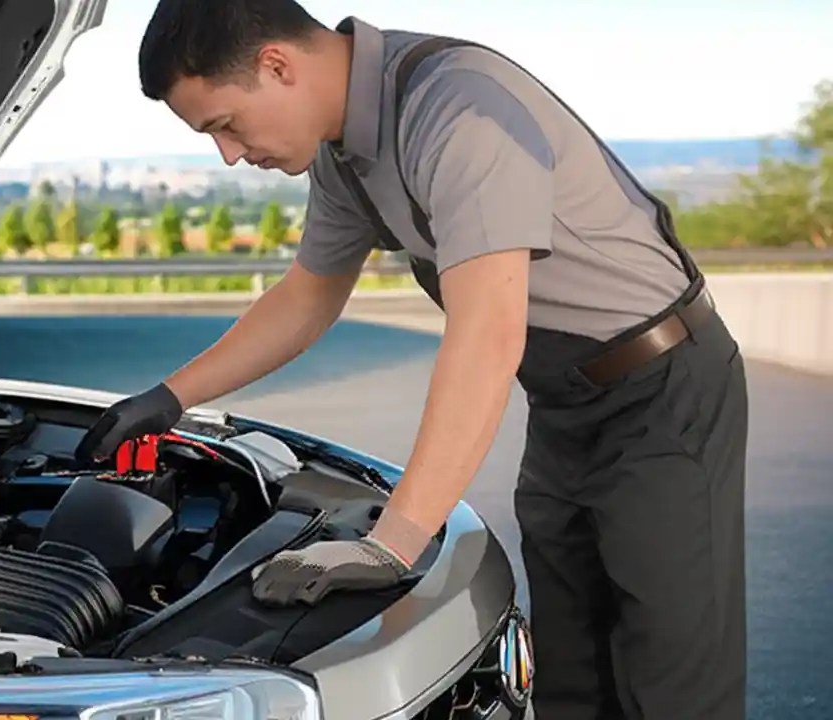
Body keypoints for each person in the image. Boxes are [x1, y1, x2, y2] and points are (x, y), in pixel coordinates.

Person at [72, 1, 749, 718]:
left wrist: (394, 542)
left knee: (671, 684)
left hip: (662, 391)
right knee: (572, 682)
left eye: (226, 126)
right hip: (563, 404)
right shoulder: (344, 154)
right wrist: (168, 397)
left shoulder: (458, 110)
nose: (231, 155)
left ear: (277, 65)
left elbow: (487, 334)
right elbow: (308, 296)